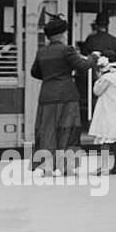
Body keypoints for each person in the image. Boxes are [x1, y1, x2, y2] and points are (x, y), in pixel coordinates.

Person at [30, 16, 94, 173]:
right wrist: (94, 58)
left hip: (47, 96)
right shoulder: (67, 50)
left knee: (47, 131)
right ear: (61, 34)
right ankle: (67, 167)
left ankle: (47, 168)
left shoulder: (42, 52)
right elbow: (83, 66)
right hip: (67, 96)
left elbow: (34, 72)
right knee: (68, 130)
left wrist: (50, 78)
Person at [89, 53, 116, 175]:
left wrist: (98, 77)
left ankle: (103, 166)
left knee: (104, 137)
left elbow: (97, 91)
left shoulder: (106, 77)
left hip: (107, 108)